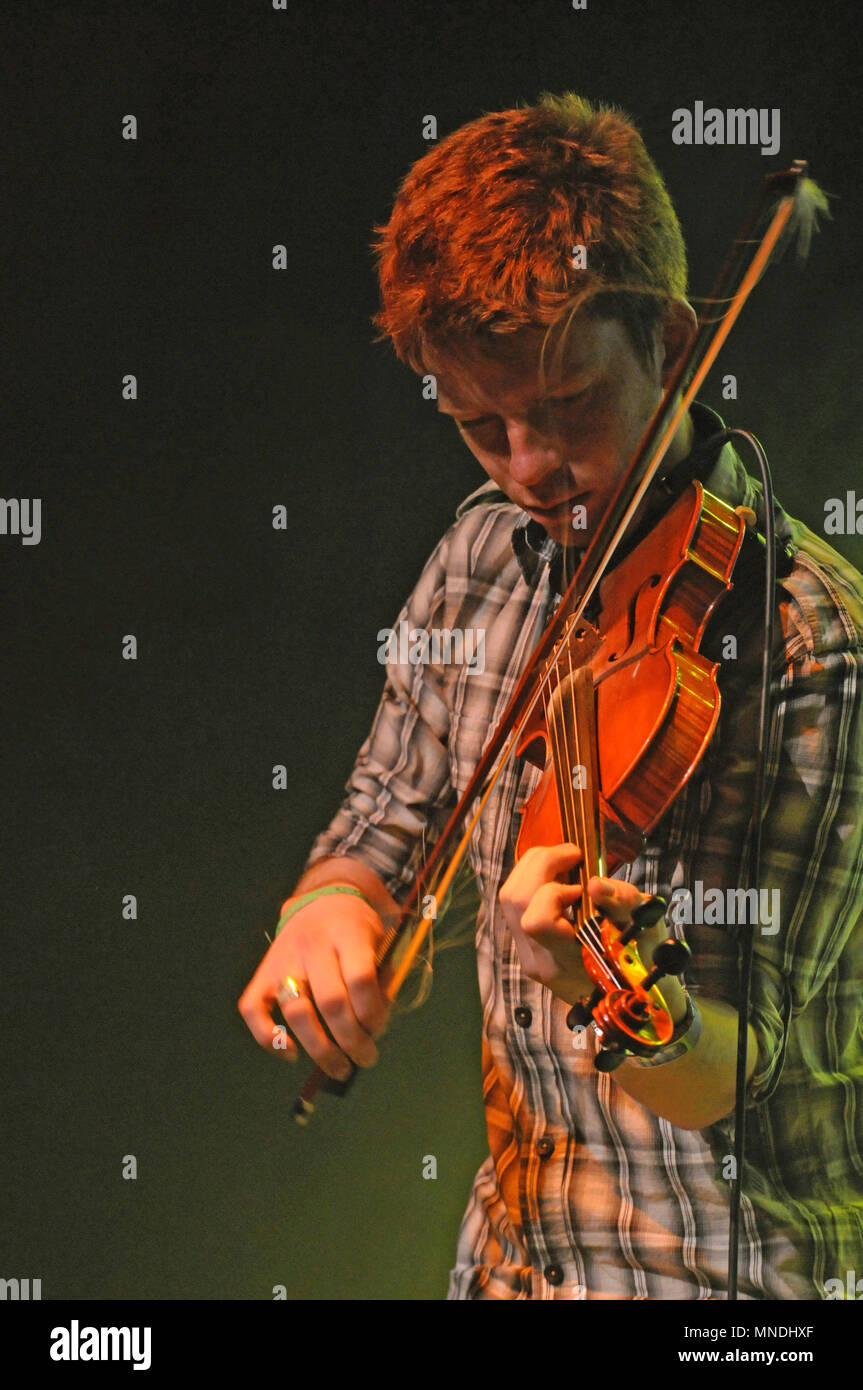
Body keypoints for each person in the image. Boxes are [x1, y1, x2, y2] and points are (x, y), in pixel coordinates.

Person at [238, 93, 863, 1299]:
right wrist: (324, 907)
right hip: (514, 1270)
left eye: (567, 409)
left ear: (673, 341)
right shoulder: (479, 559)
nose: (527, 469)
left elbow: (740, 1067)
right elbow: (384, 818)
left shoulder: (810, 644)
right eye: (481, 428)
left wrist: (607, 992)